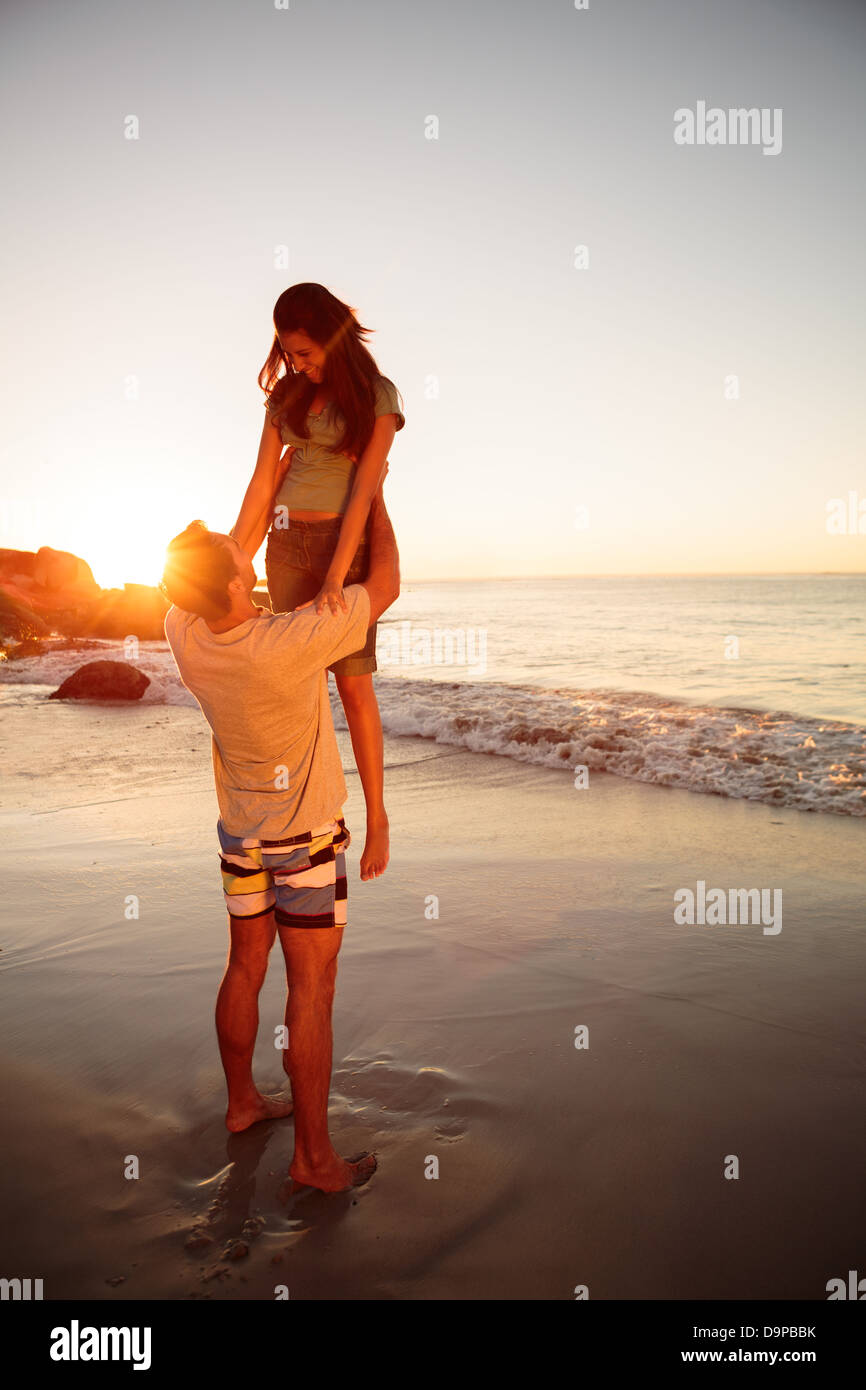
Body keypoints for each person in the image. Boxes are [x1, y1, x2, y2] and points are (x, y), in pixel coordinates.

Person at [160, 484, 400, 1194]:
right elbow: (384, 583)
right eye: (241, 553)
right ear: (239, 580)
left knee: (244, 969)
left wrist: (268, 480)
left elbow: (231, 551)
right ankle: (314, 1160)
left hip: (241, 840)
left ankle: (242, 1104)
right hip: (305, 844)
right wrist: (374, 498)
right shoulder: (289, 642)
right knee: (312, 990)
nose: (250, 543)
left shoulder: (185, 631)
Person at [231, 282, 405, 884]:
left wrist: (337, 573)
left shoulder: (378, 396)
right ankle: (303, 810)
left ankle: (377, 816)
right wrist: (235, 552)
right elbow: (262, 481)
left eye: (305, 352)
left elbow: (365, 491)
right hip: (286, 545)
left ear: (333, 335)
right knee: (297, 687)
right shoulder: (287, 394)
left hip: (343, 547)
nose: (298, 364)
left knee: (354, 689)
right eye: (289, 353)